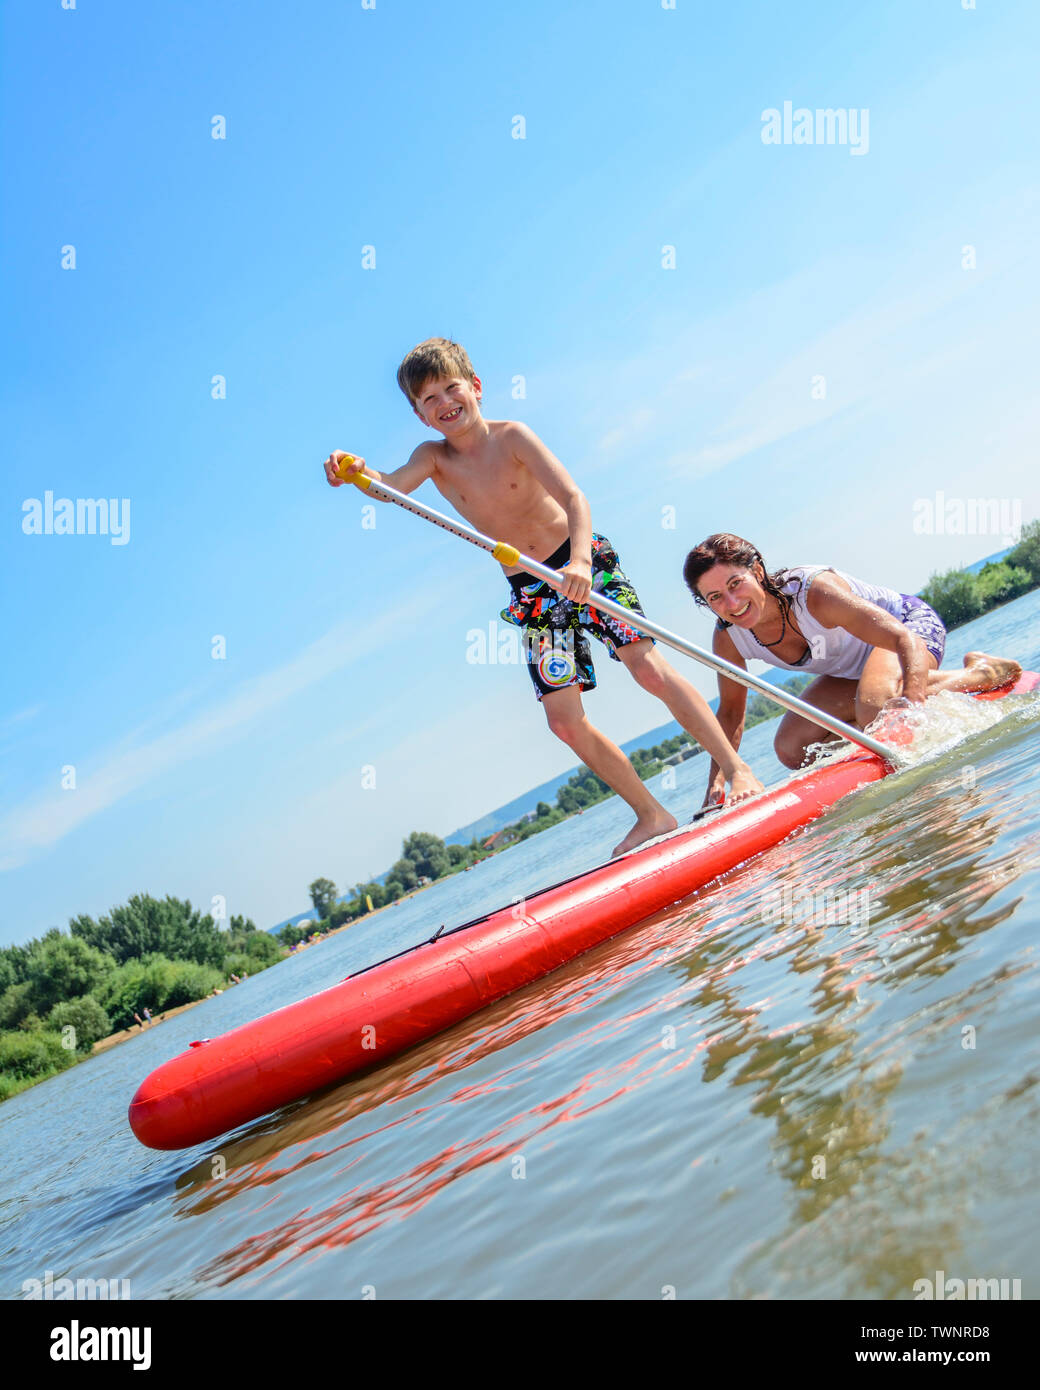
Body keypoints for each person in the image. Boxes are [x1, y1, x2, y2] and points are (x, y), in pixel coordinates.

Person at [324, 338, 763, 855]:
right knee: (563, 721)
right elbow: (389, 487)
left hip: (583, 563)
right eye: (427, 399)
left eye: (450, 387)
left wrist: (578, 562)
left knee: (646, 668)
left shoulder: (512, 437)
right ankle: (653, 815)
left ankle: (737, 772)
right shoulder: (432, 458)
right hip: (531, 590)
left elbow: (575, 497)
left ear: (476, 388)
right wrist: (355, 473)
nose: (443, 402)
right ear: (421, 416)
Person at [682, 532, 1022, 800]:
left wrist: (911, 706)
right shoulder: (729, 639)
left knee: (876, 709)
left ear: (756, 571)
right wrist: (718, 783)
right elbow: (729, 714)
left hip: (910, 630)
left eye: (735, 584)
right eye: (714, 598)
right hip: (854, 674)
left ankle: (981, 673)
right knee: (791, 748)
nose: (731, 604)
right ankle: (877, 704)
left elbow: (903, 639)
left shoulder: (813, 593)